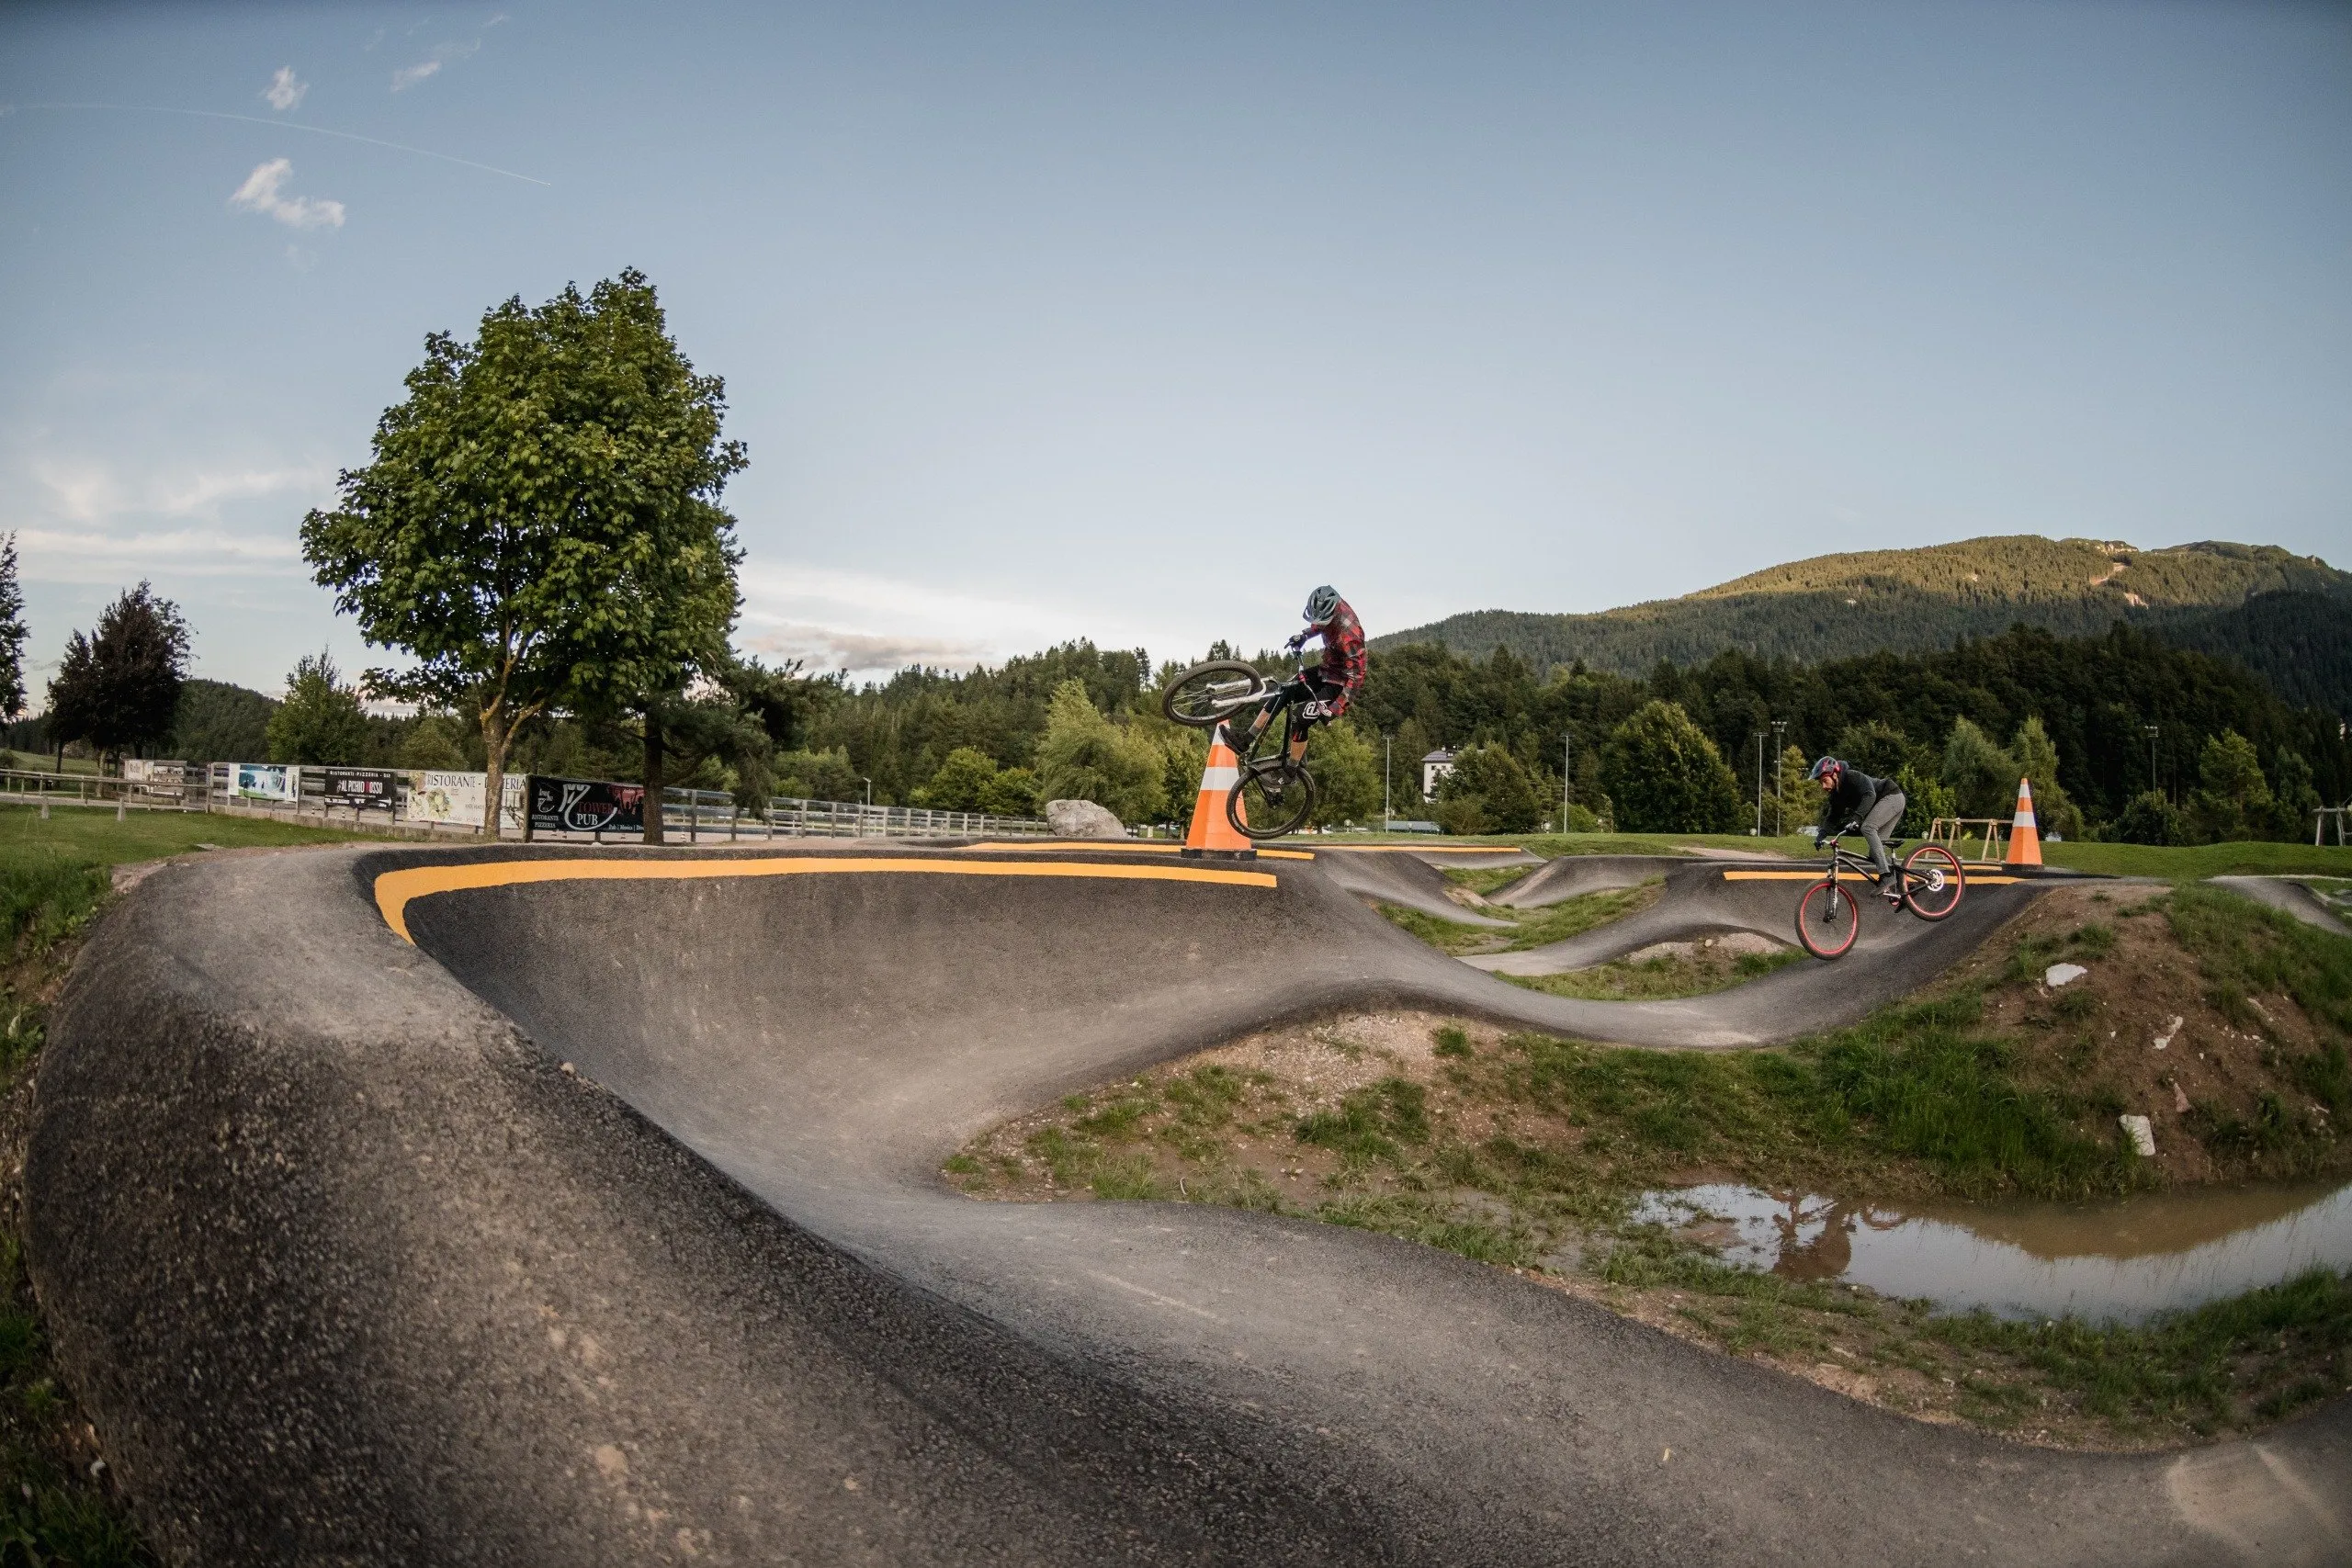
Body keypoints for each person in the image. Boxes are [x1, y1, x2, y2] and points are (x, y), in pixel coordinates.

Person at [1225, 586, 1366, 760]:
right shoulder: (1326, 608)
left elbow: (1357, 677)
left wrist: (1335, 709)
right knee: (1283, 692)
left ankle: (1291, 770)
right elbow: (1319, 623)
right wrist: (1305, 636)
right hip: (1326, 670)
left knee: (1300, 718)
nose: (1318, 623)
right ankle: (1245, 740)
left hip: (1339, 684)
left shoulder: (1350, 635)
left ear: (1334, 613)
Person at [1811, 756, 1906, 899]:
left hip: (1892, 796)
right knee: (1875, 853)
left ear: (1835, 775)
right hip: (1885, 805)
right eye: (1821, 783)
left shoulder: (1852, 776)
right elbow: (1833, 817)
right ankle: (1902, 885)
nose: (1823, 786)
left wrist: (1856, 818)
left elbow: (1870, 794)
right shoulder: (1836, 795)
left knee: (1867, 827)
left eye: (1825, 781)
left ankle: (1886, 876)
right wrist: (1821, 835)